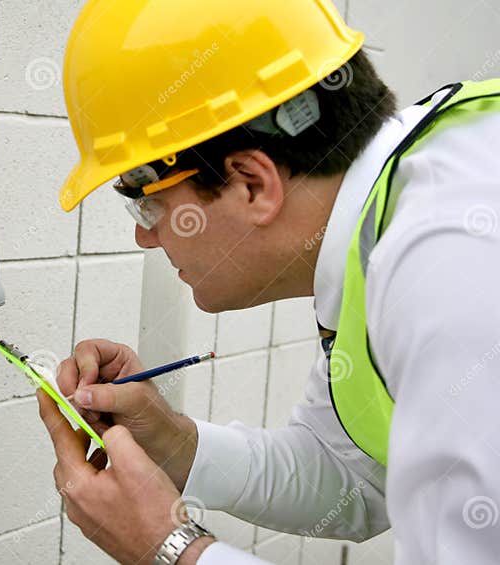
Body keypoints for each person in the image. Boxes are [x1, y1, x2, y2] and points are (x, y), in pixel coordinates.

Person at [36, 1, 500, 563]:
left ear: (252, 184)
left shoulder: (448, 264)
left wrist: (167, 547)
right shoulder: (388, 218)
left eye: (147, 209)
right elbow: (353, 477)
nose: (146, 240)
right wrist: (172, 441)